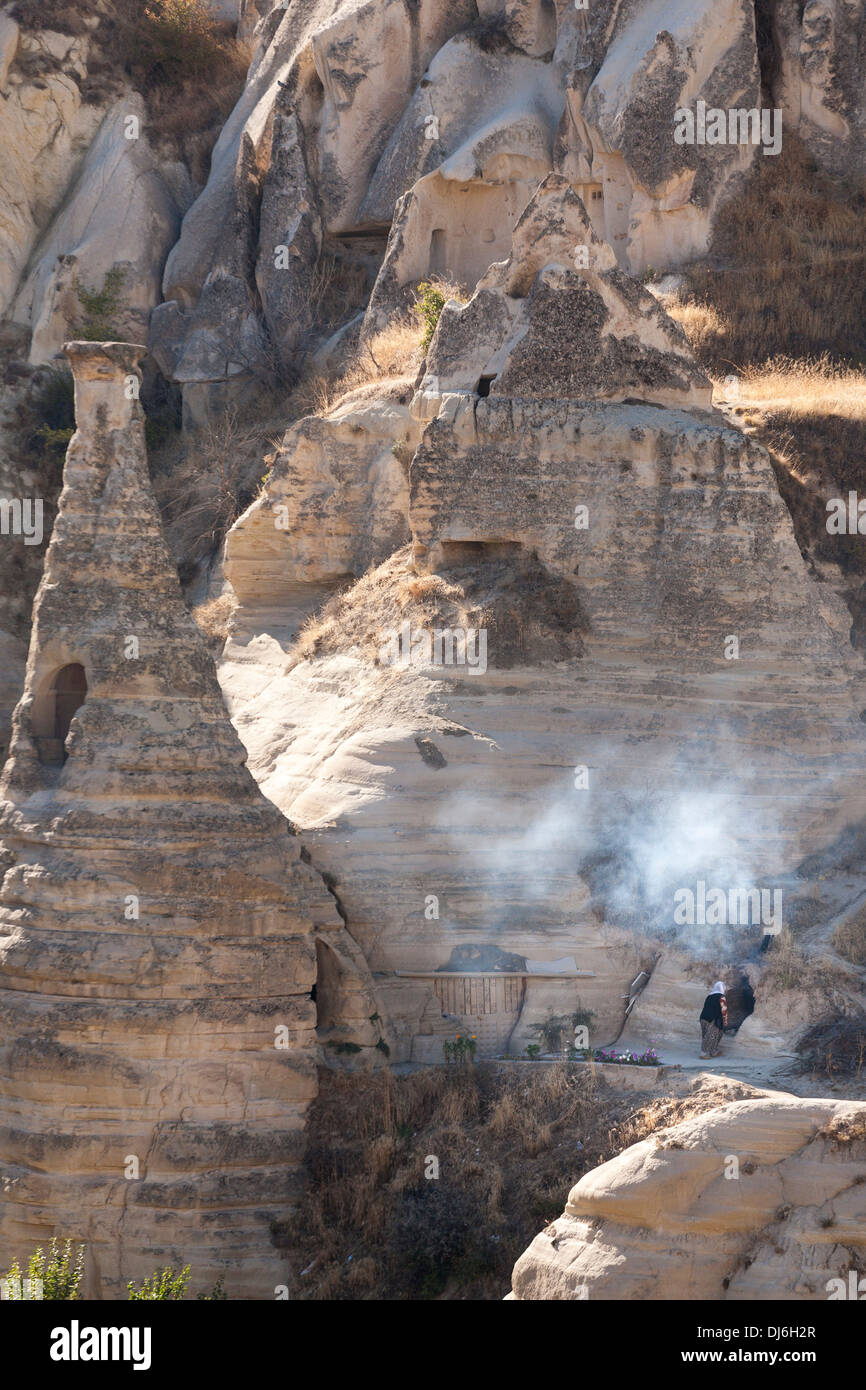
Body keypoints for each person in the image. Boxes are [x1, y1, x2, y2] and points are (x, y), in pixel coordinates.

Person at [699, 981, 727, 1058]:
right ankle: (703, 1053)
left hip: (703, 1018)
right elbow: (724, 1010)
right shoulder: (721, 997)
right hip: (712, 1019)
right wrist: (725, 1021)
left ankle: (713, 1051)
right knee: (712, 1035)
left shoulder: (709, 996)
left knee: (706, 1035)